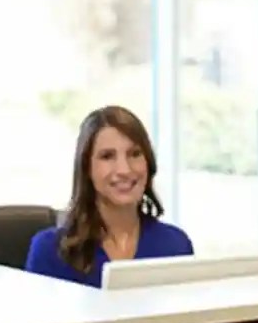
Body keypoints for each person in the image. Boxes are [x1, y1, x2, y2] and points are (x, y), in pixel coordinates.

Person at [25, 105, 193, 287]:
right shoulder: (51, 252)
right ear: (87, 168)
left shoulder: (175, 246)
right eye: (107, 156)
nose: (124, 170)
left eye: (134, 154)